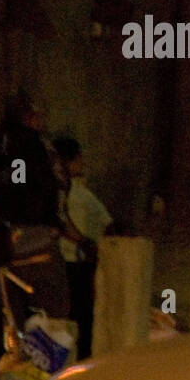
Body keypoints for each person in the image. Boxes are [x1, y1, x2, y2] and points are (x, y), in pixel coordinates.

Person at [0, 91, 71, 365]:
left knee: (11, 314)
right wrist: (54, 224)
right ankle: (49, 369)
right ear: (31, 117)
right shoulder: (40, 147)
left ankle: (12, 370)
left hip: (2, 249)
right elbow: (57, 183)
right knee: (55, 311)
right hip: (38, 243)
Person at [52, 138, 112, 360]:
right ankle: (83, 361)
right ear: (71, 162)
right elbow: (108, 223)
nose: (83, 162)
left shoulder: (57, 190)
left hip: (59, 260)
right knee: (83, 315)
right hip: (79, 263)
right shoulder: (80, 194)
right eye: (79, 158)